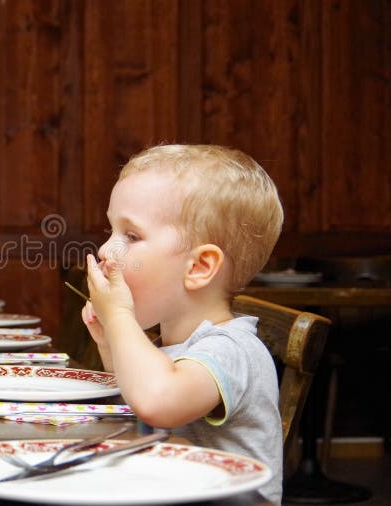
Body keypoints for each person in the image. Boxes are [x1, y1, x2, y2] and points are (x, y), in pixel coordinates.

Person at [83, 144, 284, 504]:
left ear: (199, 267)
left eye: (131, 236)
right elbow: (138, 398)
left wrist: (119, 317)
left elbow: (158, 402)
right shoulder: (172, 347)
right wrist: (111, 343)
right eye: (111, 229)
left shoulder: (232, 350)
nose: (105, 250)